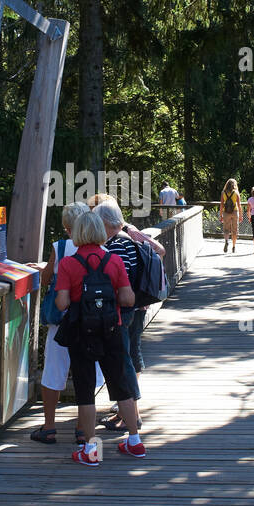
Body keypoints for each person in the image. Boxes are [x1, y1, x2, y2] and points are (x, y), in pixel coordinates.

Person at [54, 210, 145, 464]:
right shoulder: (114, 260)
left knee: (85, 391)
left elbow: (61, 304)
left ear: (78, 232)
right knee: (121, 386)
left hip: (81, 333)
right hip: (112, 329)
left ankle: (91, 451)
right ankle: (135, 442)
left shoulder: (68, 264)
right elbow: (128, 299)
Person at [89, 194, 164, 431]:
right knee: (126, 359)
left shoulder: (118, 244)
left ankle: (132, 416)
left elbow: (119, 280)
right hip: (132, 308)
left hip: (123, 311)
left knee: (123, 362)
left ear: (105, 222)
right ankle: (125, 414)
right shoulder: (126, 240)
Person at [31, 201, 103, 445]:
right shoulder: (100, 248)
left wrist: (44, 270)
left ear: (67, 226)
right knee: (86, 373)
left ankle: (49, 427)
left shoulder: (60, 247)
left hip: (62, 323)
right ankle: (82, 429)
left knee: (53, 370)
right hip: (91, 321)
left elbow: (48, 276)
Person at [219, 178, 242, 253]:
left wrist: (221, 215)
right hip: (235, 211)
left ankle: (226, 241)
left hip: (226, 212)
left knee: (226, 229)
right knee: (234, 230)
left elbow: (222, 204)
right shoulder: (236, 192)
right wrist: (241, 215)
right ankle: (234, 246)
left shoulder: (223, 192)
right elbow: (239, 205)